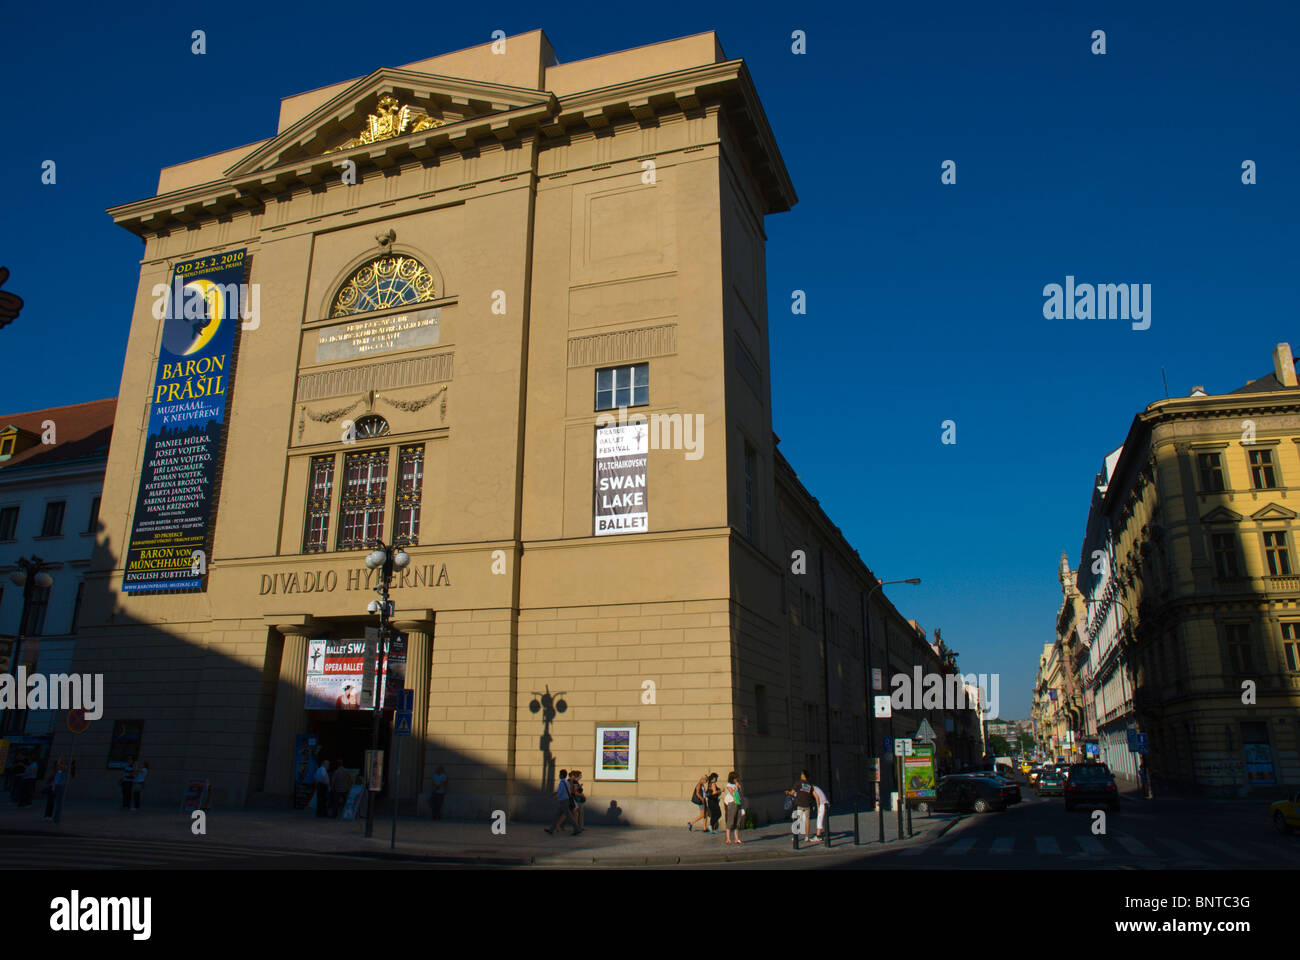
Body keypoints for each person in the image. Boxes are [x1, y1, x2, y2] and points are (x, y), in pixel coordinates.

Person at [785, 770, 815, 841]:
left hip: (800, 804)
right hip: (807, 804)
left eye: (801, 774)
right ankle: (807, 837)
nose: (801, 775)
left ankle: (795, 837)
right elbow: (812, 793)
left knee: (798, 820)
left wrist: (788, 792)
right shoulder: (810, 785)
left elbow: (792, 793)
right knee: (807, 821)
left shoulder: (798, 783)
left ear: (804, 775)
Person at [545, 769, 577, 835]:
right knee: (557, 815)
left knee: (568, 816)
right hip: (565, 800)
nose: (559, 775)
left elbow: (558, 792)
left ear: (562, 775)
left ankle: (576, 828)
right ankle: (551, 829)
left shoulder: (562, 783)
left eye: (560, 774)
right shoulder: (566, 782)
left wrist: (550, 795)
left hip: (563, 801)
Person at [723, 772, 745, 845]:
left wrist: (739, 787)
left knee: (737, 821)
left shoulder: (737, 784)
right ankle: (728, 839)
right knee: (731, 820)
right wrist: (736, 787)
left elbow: (740, 792)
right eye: (736, 778)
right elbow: (732, 793)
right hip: (732, 802)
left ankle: (737, 839)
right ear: (732, 778)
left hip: (738, 802)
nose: (737, 779)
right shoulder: (729, 785)